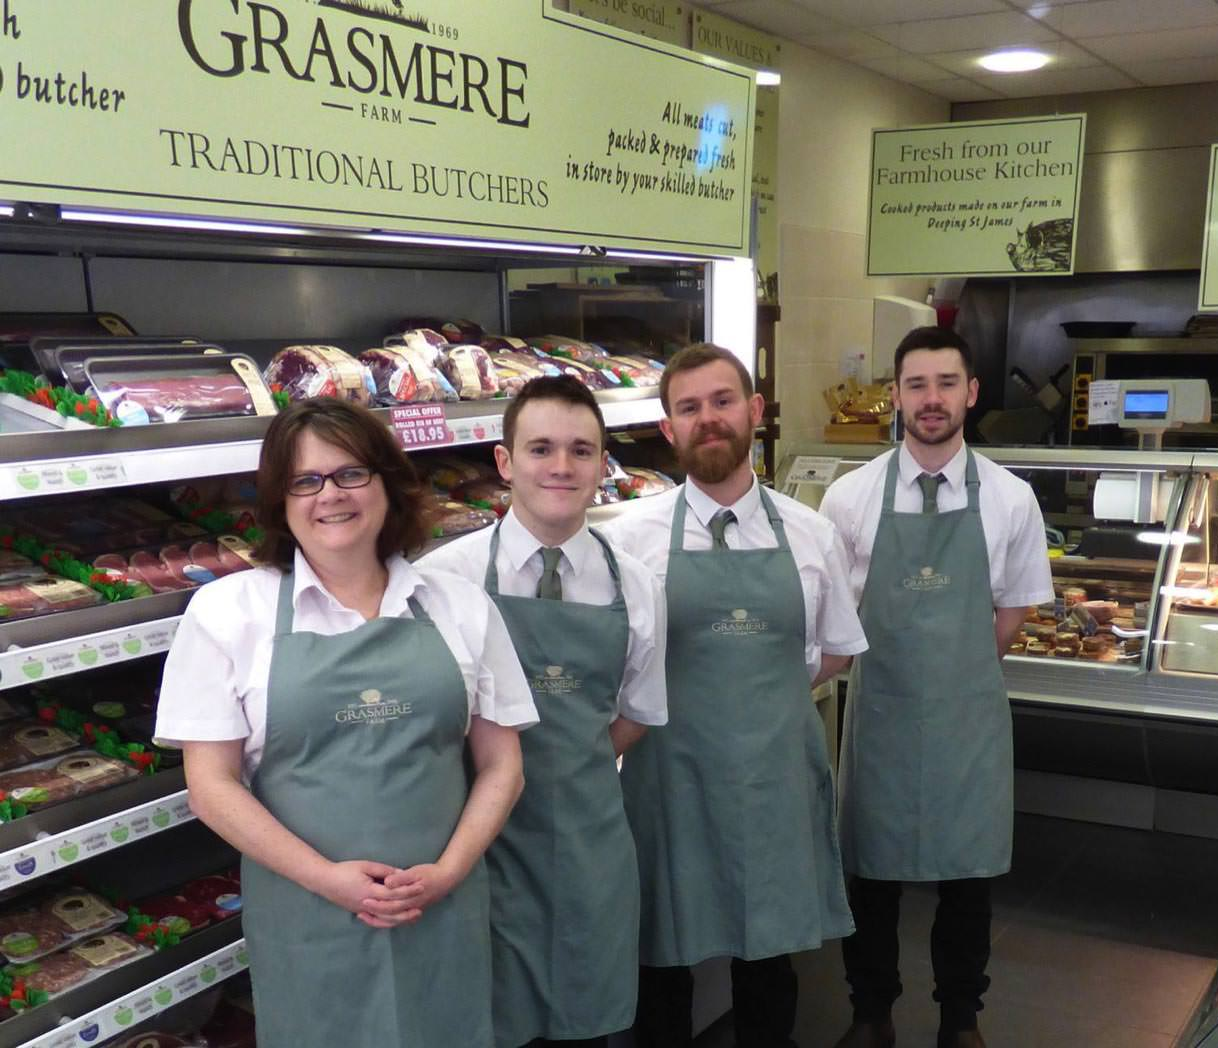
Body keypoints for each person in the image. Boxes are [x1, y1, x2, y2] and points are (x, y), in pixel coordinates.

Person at [155, 398, 536, 1048]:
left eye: (351, 474)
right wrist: (326, 878)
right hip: (307, 917)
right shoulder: (227, 613)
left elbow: (503, 765)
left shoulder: (458, 607)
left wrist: (449, 869)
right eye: (306, 480)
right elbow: (210, 786)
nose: (330, 495)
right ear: (280, 500)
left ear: (388, 481)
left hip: (442, 910)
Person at [601, 343, 867, 1048]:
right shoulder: (630, 542)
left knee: (768, 959)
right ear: (668, 430)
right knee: (664, 957)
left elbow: (835, 650)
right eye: (688, 408)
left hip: (771, 776)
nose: (707, 419)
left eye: (722, 402)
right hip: (667, 776)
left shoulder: (812, 533)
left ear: (753, 412)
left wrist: (758, 700)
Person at [819, 327, 1054, 1048]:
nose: (930, 399)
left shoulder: (1012, 499)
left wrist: (953, 672)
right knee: (874, 877)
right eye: (915, 385)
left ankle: (960, 1017)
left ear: (971, 393)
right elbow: (833, 613)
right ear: (895, 395)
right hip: (881, 714)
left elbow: (1012, 612)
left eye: (945, 383)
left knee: (967, 877)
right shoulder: (849, 498)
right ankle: (871, 1012)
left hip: (967, 718)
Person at [422, 376, 667, 1048]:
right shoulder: (445, 579)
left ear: (602, 465)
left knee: (584, 1025)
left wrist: (574, 762)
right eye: (540, 448)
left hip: (589, 843)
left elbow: (638, 713)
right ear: (505, 463)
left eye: (582, 451)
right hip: (475, 848)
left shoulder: (638, 586)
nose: (562, 467)